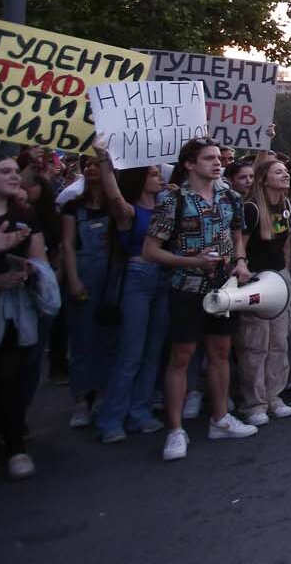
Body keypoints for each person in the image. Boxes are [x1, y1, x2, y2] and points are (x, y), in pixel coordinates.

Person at [141, 138, 257, 461]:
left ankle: (220, 418)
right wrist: (191, 262)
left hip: (223, 290)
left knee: (221, 352)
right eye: (209, 158)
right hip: (187, 289)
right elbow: (150, 251)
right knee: (181, 356)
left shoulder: (231, 197)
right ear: (190, 164)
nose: (218, 163)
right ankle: (176, 430)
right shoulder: (172, 201)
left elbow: (238, 237)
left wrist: (242, 262)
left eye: (219, 158)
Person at [0, 153, 55, 479]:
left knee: (7, 379)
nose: (14, 176)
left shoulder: (25, 215)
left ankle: (14, 448)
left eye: (15, 171)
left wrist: (29, 269)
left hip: (11, 310)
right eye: (5, 171)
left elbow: (40, 262)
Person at [89, 150, 168, 443]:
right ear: (139, 179)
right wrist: (105, 162)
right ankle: (112, 418)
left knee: (152, 351)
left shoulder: (165, 206)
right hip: (138, 278)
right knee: (131, 352)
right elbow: (113, 195)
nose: (160, 176)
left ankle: (140, 411)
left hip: (163, 278)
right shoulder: (130, 212)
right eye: (153, 173)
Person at [235, 158, 291, 426]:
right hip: (256, 279)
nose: (285, 175)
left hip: (280, 278)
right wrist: (242, 269)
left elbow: (286, 246)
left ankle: (274, 396)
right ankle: (254, 403)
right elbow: (239, 243)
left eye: (286, 171)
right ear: (263, 178)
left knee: (279, 341)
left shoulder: (287, 206)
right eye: (278, 172)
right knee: (255, 344)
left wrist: (288, 276)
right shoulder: (250, 209)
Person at [58, 155, 116, 430]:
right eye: (87, 164)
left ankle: (103, 392)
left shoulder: (116, 206)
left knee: (108, 338)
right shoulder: (72, 206)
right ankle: (81, 397)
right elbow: (67, 245)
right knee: (81, 339)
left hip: (111, 278)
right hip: (82, 275)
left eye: (97, 164)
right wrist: (73, 279)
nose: (92, 168)